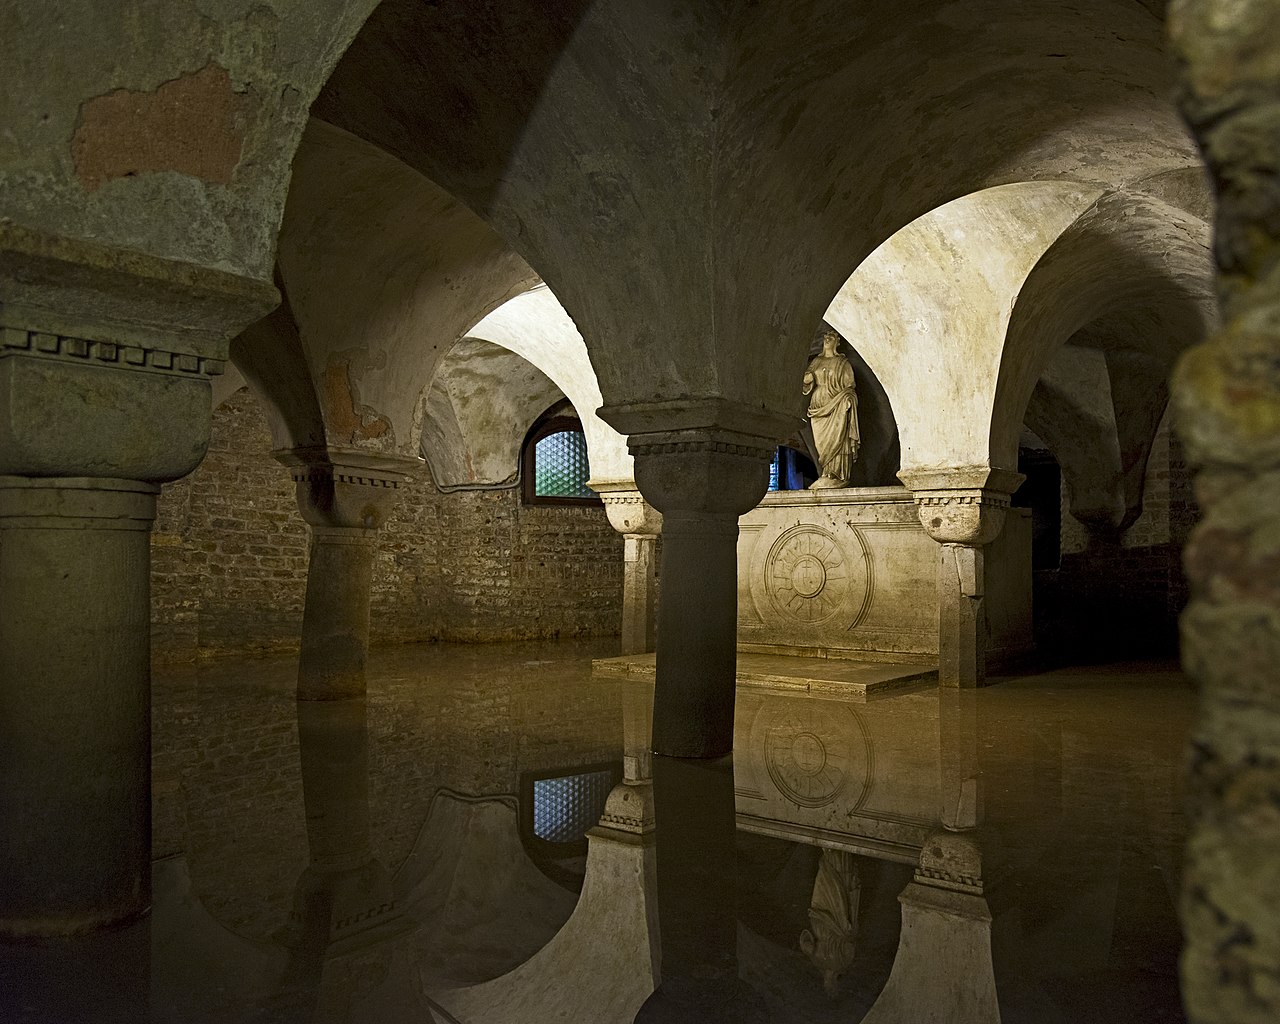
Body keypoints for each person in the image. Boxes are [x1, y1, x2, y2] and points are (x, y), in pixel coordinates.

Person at [802, 329, 860, 488]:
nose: (827, 339)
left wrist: (847, 398)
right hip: (818, 405)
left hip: (838, 404)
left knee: (838, 439)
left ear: (837, 342)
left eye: (832, 337)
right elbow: (807, 384)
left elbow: (850, 387)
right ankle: (826, 473)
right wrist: (808, 380)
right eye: (826, 337)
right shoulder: (816, 362)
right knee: (822, 444)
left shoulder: (843, 363)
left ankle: (837, 475)